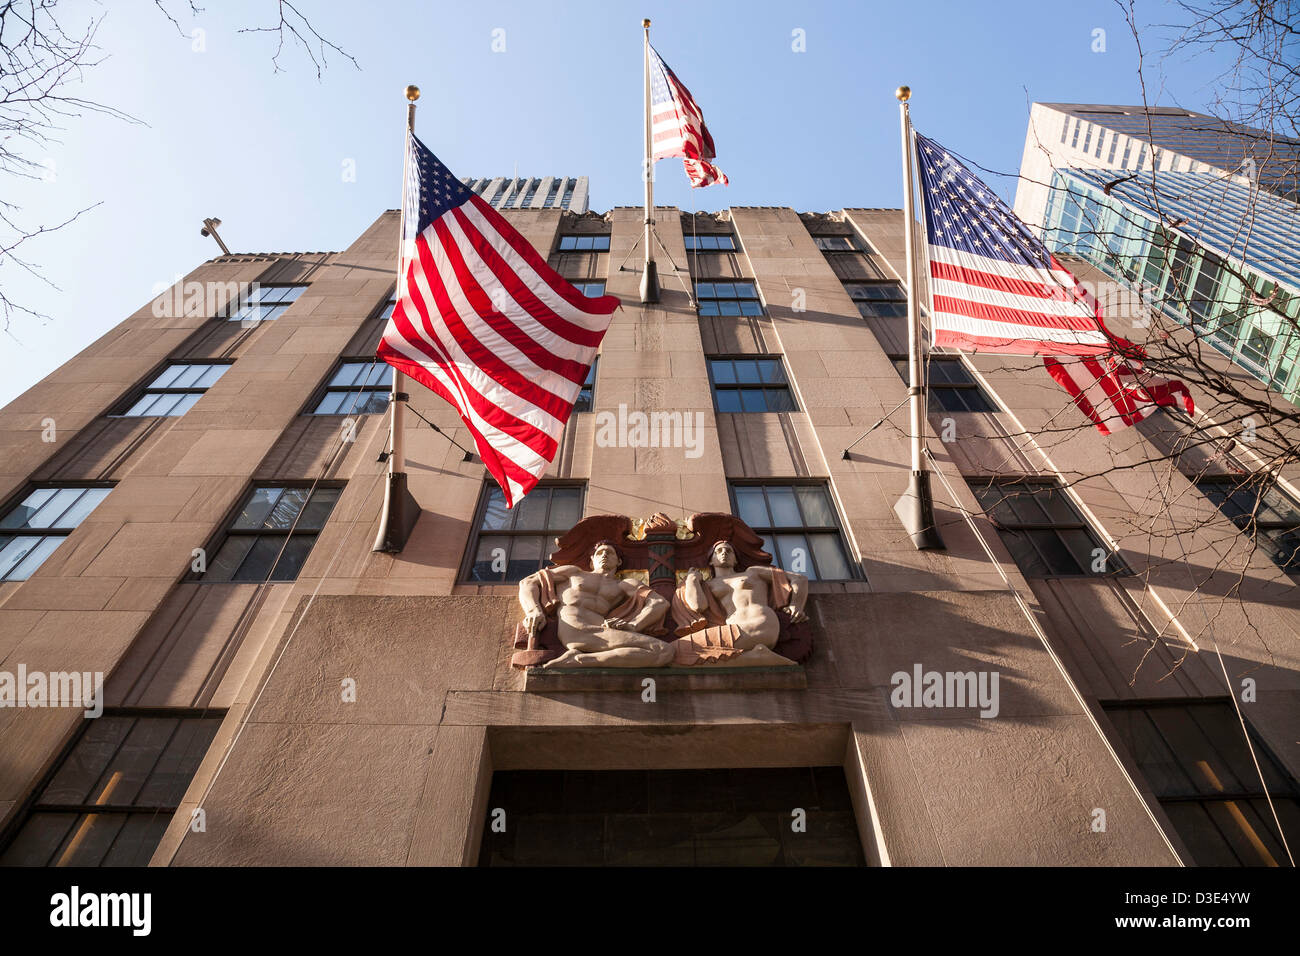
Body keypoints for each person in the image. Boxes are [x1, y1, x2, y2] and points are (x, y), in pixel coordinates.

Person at [518, 541, 675, 668]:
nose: (605, 554)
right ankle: (578, 660)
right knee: (663, 651)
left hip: (604, 629)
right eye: (600, 552)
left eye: (610, 552)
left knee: (664, 652)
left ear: (619, 561)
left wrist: (633, 625)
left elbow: (660, 603)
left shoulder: (625, 585)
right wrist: (533, 610)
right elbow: (529, 581)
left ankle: (579, 659)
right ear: (592, 560)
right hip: (574, 625)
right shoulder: (573, 573)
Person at [672, 539, 808, 666]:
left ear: (736, 560)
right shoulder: (708, 585)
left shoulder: (752, 573)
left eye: (729, 551)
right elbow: (698, 606)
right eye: (718, 551)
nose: (724, 552)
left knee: (677, 653)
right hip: (732, 629)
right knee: (677, 653)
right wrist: (692, 580)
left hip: (760, 622)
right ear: (711, 561)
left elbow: (798, 579)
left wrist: (796, 605)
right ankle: (758, 656)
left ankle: (758, 657)